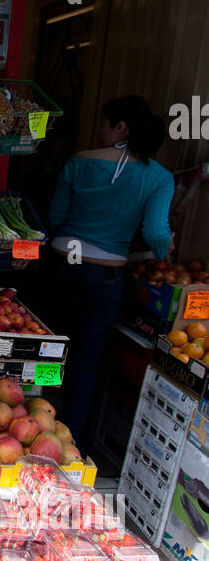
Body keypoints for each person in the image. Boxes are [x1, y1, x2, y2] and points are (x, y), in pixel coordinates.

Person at [43, 95, 174, 445]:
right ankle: (69, 445)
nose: (100, 129)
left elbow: (55, 217)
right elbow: (157, 232)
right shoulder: (159, 177)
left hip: (63, 266)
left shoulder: (80, 162)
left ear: (121, 127)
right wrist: (163, 254)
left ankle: (27, 428)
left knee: (47, 350)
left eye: (104, 122)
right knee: (86, 363)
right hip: (105, 278)